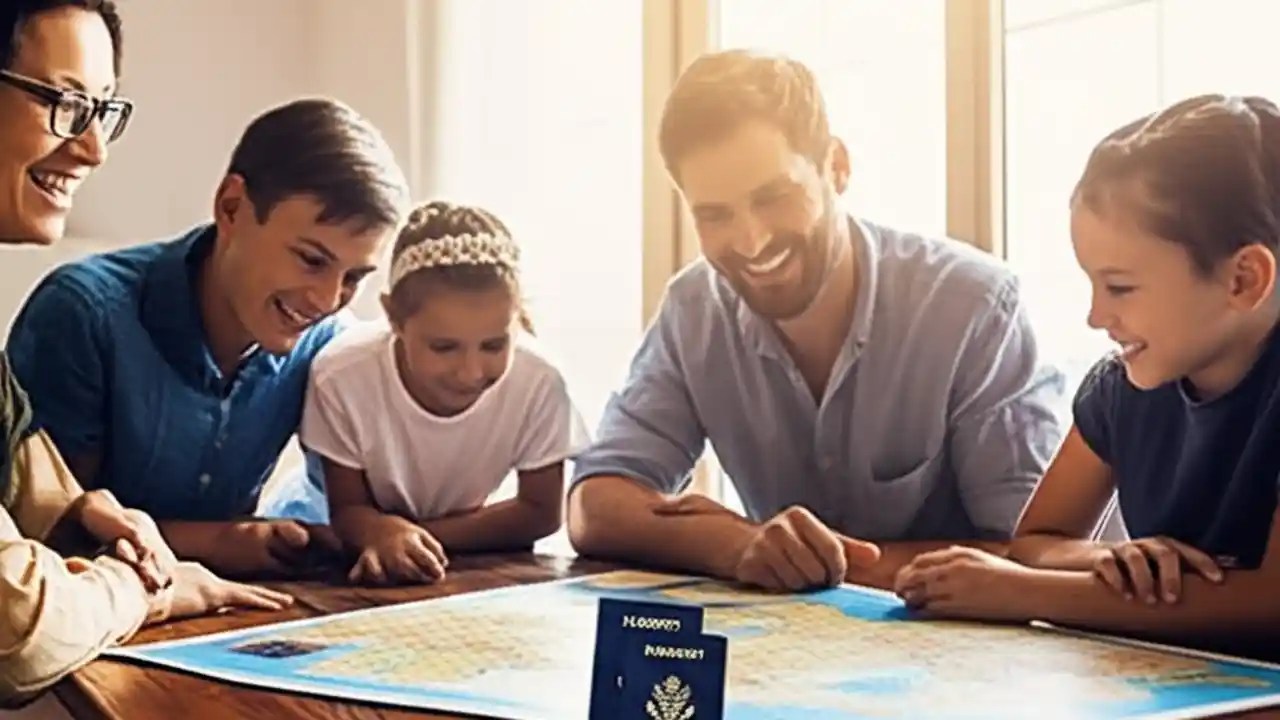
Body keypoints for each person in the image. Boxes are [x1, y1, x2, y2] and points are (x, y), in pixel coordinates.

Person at [566, 49, 1066, 592]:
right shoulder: (694, 309)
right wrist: (739, 546)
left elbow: (1029, 551)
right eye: (714, 215)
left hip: (974, 653)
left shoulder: (973, 305)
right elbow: (595, 506)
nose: (750, 241)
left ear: (837, 166)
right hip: (791, 653)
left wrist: (812, 564)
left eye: (774, 197)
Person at [893, 94, 1280, 657]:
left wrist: (1023, 593)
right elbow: (1036, 540)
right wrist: (1107, 559)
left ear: (1243, 278)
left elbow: (1269, 604)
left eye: (1120, 287)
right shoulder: (1121, 385)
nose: (1096, 316)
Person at [0, 0, 292, 705]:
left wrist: (82, 511)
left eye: (104, 110)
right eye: (66, 104)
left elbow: (18, 460)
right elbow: (20, 629)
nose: (94, 148)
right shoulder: (88, 306)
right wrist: (145, 592)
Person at [6, 92, 411, 578]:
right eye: (311, 259)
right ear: (232, 207)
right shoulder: (84, 315)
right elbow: (44, 530)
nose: (327, 300)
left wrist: (368, 528)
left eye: (355, 278)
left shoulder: (330, 346)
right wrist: (216, 542)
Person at [301, 201, 587, 585]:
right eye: (443, 347)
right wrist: (379, 533)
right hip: (332, 543)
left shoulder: (538, 380)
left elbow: (540, 511)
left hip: (453, 553)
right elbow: (348, 508)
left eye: (493, 345)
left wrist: (414, 537)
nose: (470, 373)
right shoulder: (341, 376)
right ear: (394, 318)